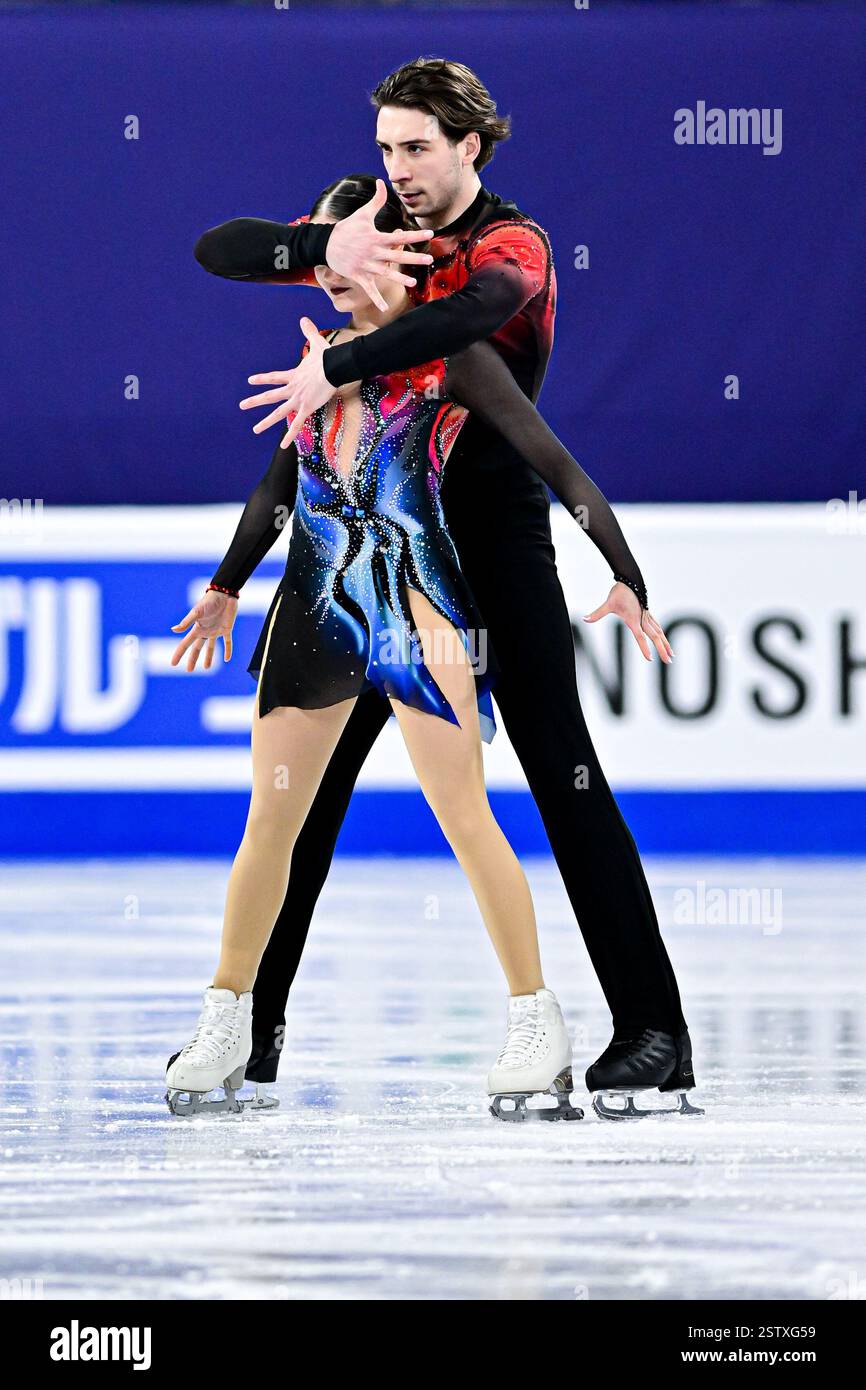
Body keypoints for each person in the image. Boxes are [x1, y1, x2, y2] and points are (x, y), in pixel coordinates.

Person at [184, 58, 699, 1120]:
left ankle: (652, 1029)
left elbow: (466, 324)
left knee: (561, 775)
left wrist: (338, 360)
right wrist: (325, 243)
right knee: (302, 797)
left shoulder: (514, 244)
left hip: (490, 536)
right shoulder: (369, 226)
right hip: (360, 549)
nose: (396, 169)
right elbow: (219, 249)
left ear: (470, 145)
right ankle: (252, 1026)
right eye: (383, 149)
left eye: (416, 148)